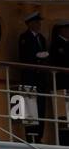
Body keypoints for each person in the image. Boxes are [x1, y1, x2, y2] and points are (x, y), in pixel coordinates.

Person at [17, 12, 51, 142]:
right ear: (29, 23)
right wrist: (37, 56)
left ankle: (39, 136)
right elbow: (24, 56)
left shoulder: (41, 38)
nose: (39, 24)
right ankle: (30, 136)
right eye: (36, 22)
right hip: (29, 77)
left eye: (39, 22)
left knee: (41, 108)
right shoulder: (24, 37)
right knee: (30, 108)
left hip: (40, 79)